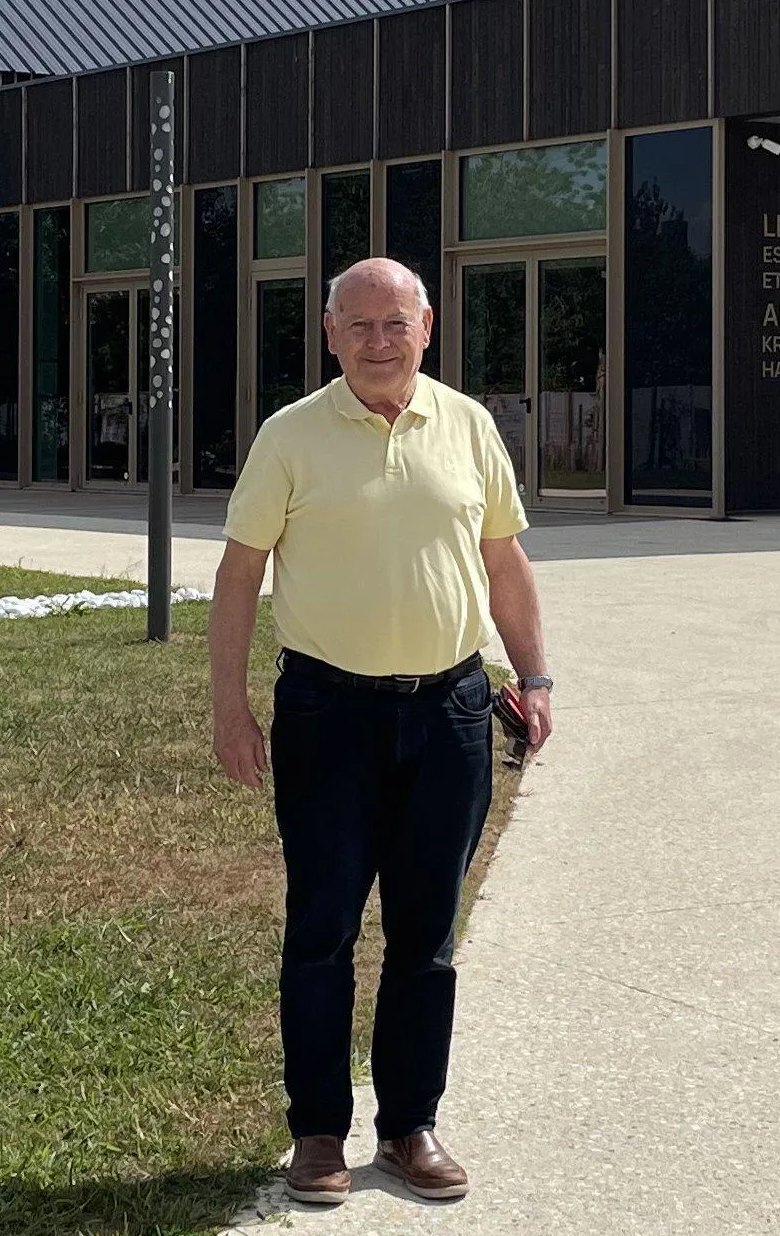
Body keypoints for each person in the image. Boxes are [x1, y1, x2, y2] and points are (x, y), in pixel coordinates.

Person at [208, 258, 552, 1205]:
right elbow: (240, 575)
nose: (376, 340)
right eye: (356, 325)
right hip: (328, 715)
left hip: (449, 713)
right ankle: (318, 1132)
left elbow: (503, 557)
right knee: (321, 927)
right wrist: (229, 708)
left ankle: (409, 1126)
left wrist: (535, 673)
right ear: (329, 335)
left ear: (426, 327)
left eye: (393, 322)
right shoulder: (290, 437)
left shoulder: (470, 426)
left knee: (425, 933)